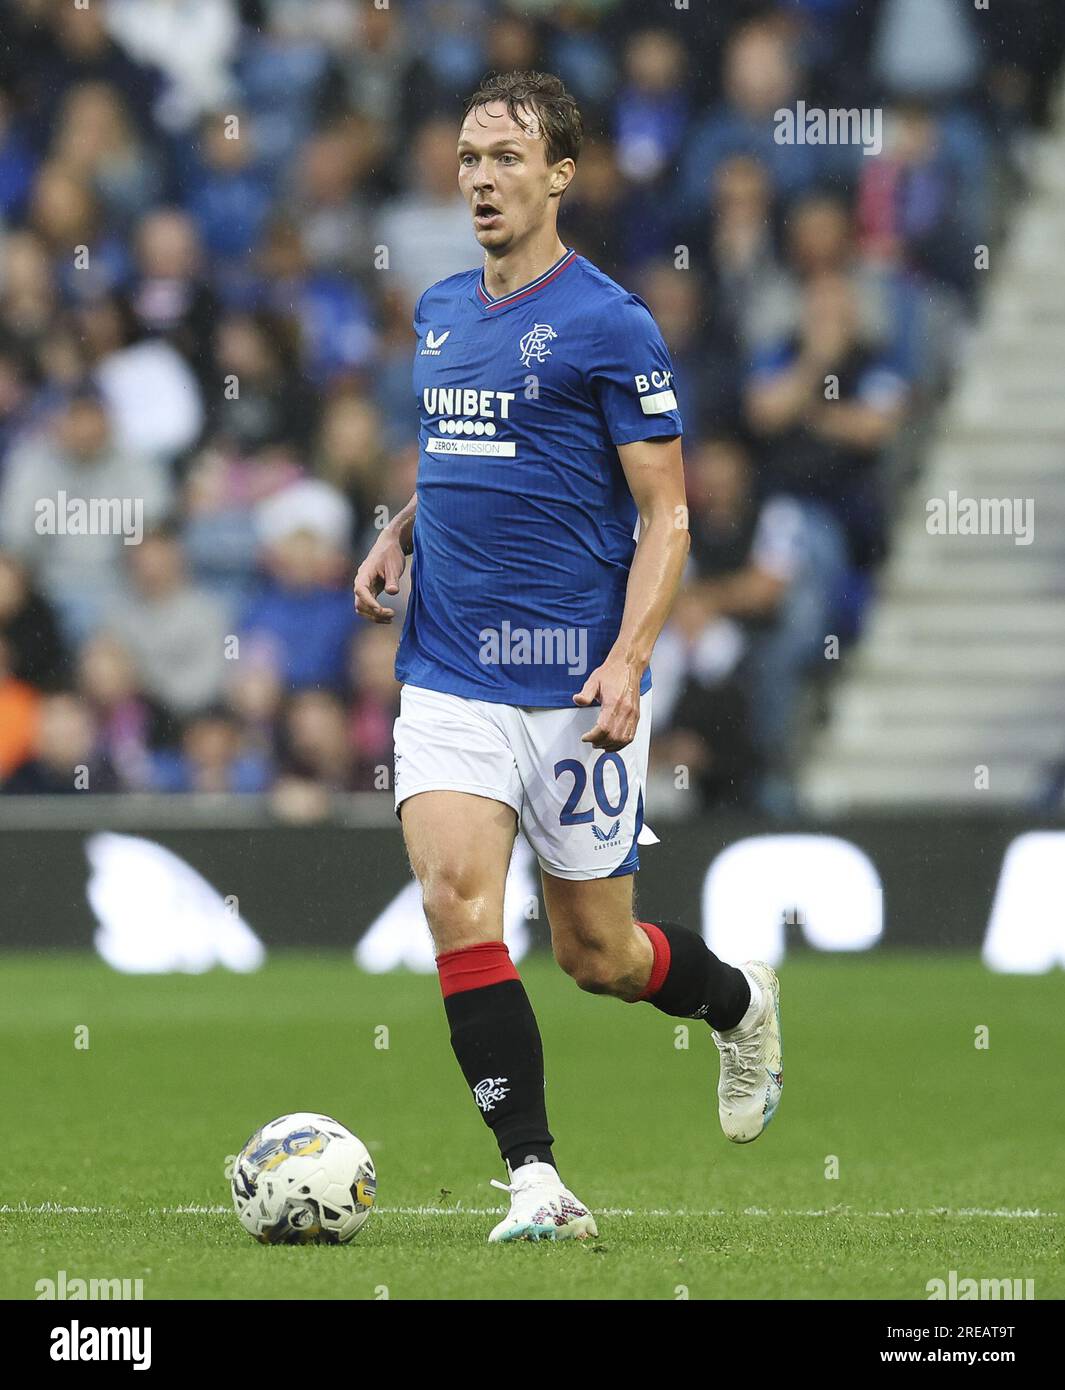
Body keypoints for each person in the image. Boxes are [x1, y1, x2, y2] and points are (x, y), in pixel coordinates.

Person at [354, 70, 783, 1245]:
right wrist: (398, 531)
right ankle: (535, 1178)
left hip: (573, 685)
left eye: (506, 157)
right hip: (449, 671)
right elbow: (457, 453)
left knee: (601, 953)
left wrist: (631, 660)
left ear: (560, 175)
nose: (482, 177)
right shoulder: (438, 310)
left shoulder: (610, 323)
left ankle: (739, 1002)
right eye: (469, 155)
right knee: (455, 900)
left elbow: (670, 516)